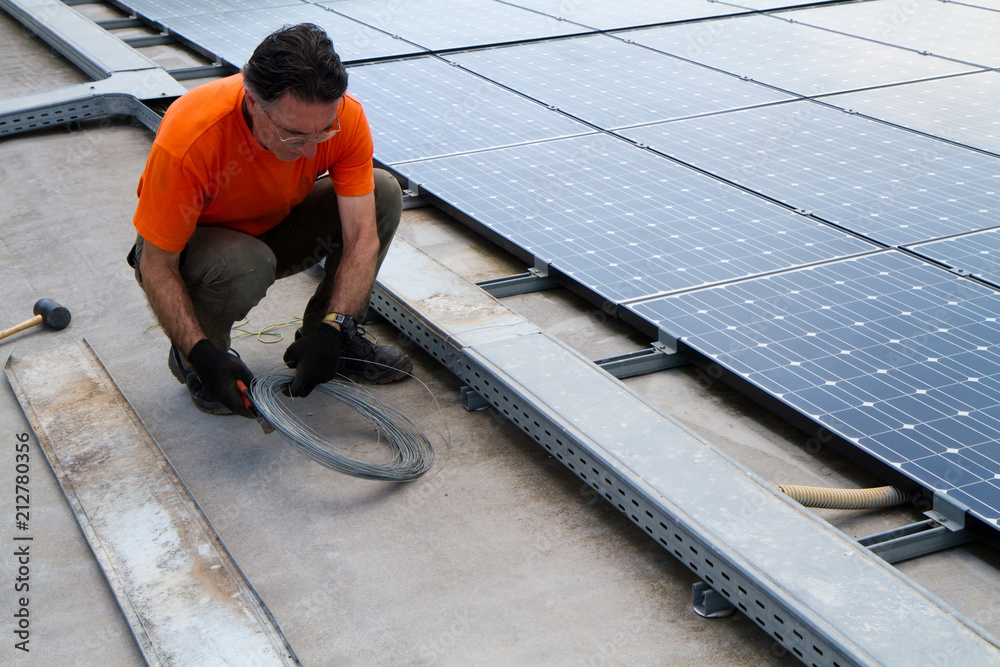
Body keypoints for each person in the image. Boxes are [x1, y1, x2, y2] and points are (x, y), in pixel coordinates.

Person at [127, 22, 409, 418]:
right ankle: (198, 359)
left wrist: (336, 326)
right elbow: (157, 264)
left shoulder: (343, 119)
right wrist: (200, 352)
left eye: (323, 133)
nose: (312, 149)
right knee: (244, 263)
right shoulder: (191, 137)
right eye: (295, 135)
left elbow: (362, 235)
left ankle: (326, 343)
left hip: (273, 224)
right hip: (198, 249)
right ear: (254, 102)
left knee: (382, 192)